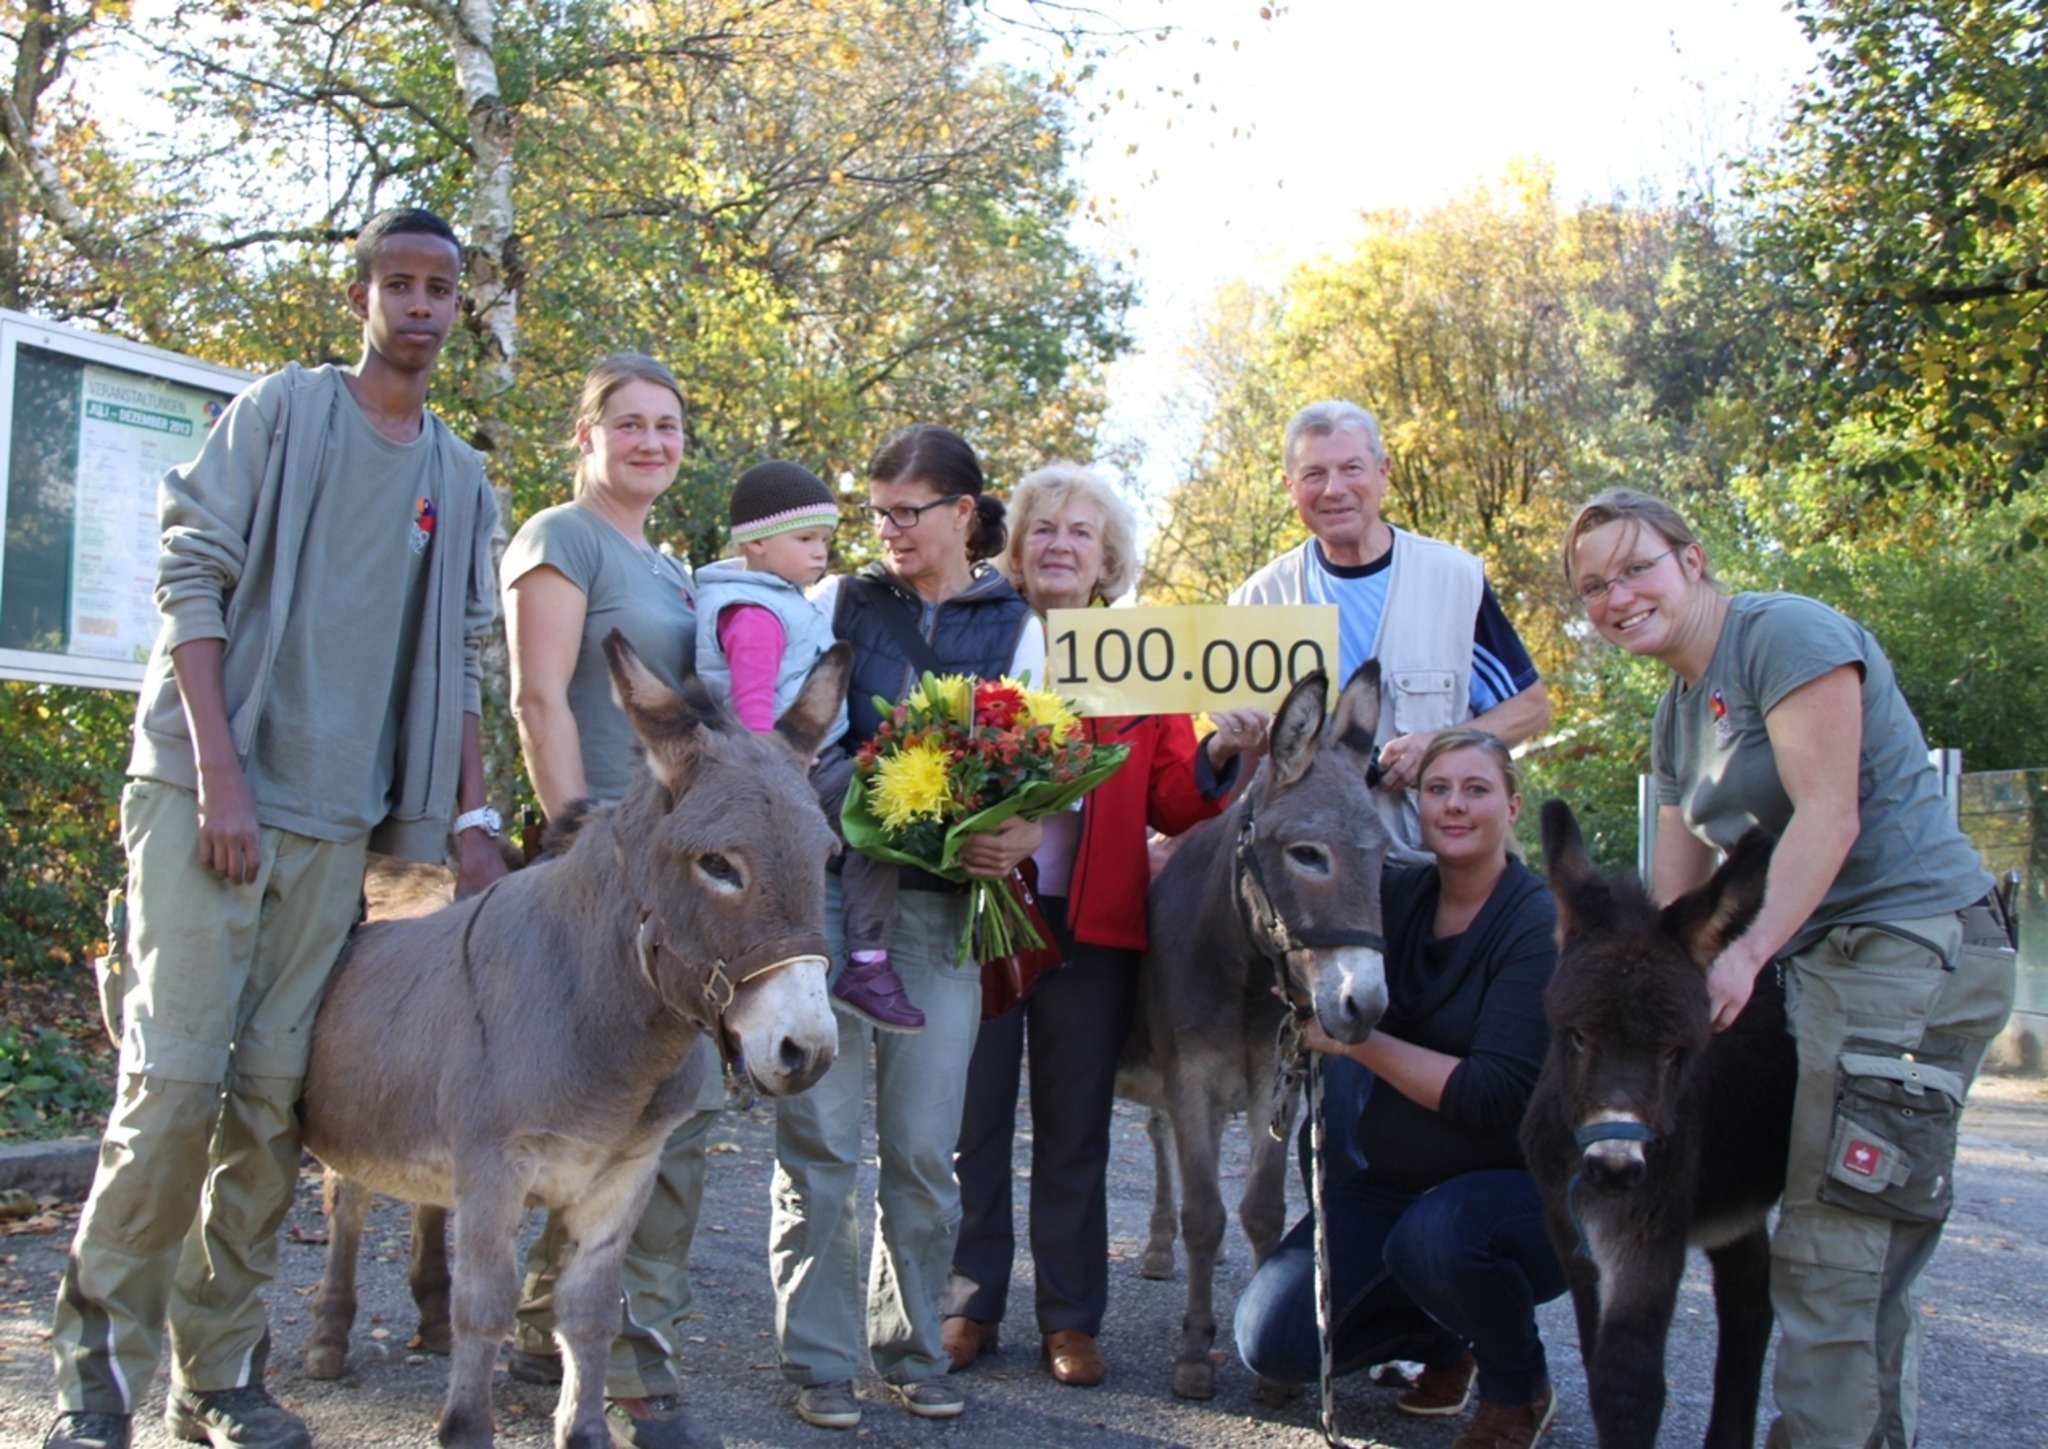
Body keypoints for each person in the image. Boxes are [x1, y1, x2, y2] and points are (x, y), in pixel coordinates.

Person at [46, 207, 506, 1449]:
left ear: (458, 307)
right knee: (174, 1089)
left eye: (441, 290)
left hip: (334, 830)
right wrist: (220, 775)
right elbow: (188, 571)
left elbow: (466, 658)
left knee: (265, 1104)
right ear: (362, 295)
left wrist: (469, 817)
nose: (420, 306)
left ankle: (221, 1379)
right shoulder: (283, 412)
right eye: (399, 285)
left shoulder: (458, 477)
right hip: (210, 800)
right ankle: (95, 1388)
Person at [1561, 488, 2016, 1449]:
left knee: (1834, 1253)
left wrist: (1750, 954)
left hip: (1905, 946)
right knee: (1849, 1246)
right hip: (1816, 968)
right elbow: (1672, 924)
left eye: (1636, 566)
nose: (1617, 596)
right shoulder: (1678, 713)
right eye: (1594, 585)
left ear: (1690, 558)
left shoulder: (1785, 633)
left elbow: (1831, 816)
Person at [940, 462, 1254, 1388]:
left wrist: (1223, 747)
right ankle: (970, 1301)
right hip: (990, 915)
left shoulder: (1143, 658)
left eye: (1081, 533)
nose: (1061, 546)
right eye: (1044, 530)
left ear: (1108, 556)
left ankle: (1070, 1319)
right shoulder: (982, 636)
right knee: (976, 1119)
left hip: (1096, 927)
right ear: (1017, 548)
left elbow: (1176, 799)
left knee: (1075, 1127)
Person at [768, 424, 1044, 1431]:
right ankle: (820, 1362)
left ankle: (912, 1345)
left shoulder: (1018, 623)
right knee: (820, 1142)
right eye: (874, 510)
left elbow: (1031, 772)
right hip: (832, 904)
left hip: (940, 918)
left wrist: (1014, 832)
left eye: (905, 511)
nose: (885, 529)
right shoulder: (832, 602)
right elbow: (788, 744)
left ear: (962, 515)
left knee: (927, 1153)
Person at [1232, 398, 1553, 1186]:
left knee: (1432, 1065)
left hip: (1433, 872)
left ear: (1382, 473)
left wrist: (1444, 746)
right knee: (1328, 1083)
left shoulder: (1451, 578)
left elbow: (1532, 707)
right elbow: (1243, 776)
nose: (1333, 487)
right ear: (1289, 486)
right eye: (1314, 474)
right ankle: (1334, 1238)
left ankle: (1449, 1218)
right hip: (1315, 891)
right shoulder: (1258, 601)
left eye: (1350, 468)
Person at [499, 352, 719, 1449]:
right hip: (597, 866)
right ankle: (626, 1364)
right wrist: (573, 829)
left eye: (667, 425)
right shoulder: (562, 537)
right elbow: (537, 693)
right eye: (626, 424)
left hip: (675, 878)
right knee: (611, 1104)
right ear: (584, 437)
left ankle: (555, 1326)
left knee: (667, 1105)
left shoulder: (676, 569)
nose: (650, 442)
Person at [1233, 729, 1565, 1449]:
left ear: (1512, 803)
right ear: (1415, 803)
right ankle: (1453, 1337)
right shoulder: (1398, 892)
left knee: (1438, 1238)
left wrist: (1362, 1043)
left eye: (1476, 789)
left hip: (1515, 1196)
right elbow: (1294, 879)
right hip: (1393, 1187)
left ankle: (1518, 1385)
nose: (1454, 805)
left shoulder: (1535, 923)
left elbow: (1492, 1094)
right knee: (1273, 1342)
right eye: (1438, 789)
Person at [692, 461, 919, 1032]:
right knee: (877, 815)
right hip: (786, 769)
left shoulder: (777, 598)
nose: (821, 553)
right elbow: (751, 702)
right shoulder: (755, 613)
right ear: (759, 542)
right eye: (806, 539)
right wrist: (778, 764)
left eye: (825, 540)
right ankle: (866, 963)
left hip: (807, 758)